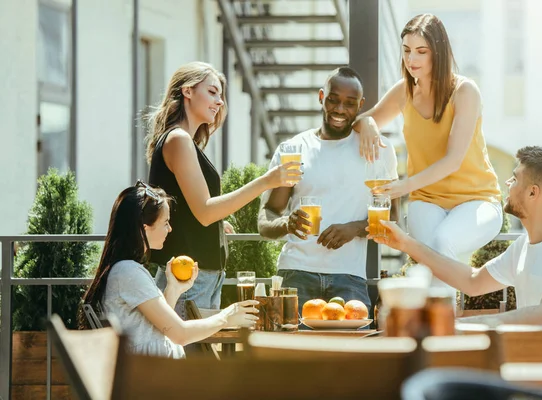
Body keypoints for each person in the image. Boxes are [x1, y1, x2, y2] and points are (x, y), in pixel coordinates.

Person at [352, 14, 503, 293]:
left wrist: (401, 187)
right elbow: (362, 121)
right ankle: (440, 324)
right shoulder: (404, 91)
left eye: (421, 51)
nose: (412, 59)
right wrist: (370, 124)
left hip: (477, 200)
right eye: (407, 50)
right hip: (426, 200)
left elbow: (453, 160)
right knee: (430, 259)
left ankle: (437, 329)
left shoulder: (465, 91)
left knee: (442, 242)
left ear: (439, 52)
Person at [371, 146, 542, 328]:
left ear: (533, 192)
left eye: (515, 178)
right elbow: (473, 281)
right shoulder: (523, 246)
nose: (507, 184)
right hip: (531, 364)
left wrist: (466, 325)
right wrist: (405, 243)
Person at [145, 62, 301, 317]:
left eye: (221, 95)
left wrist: (218, 226)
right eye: (212, 92)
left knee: (194, 356)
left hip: (196, 278)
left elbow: (193, 210)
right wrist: (267, 181)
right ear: (187, 91)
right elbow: (205, 212)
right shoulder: (179, 140)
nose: (219, 102)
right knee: (189, 357)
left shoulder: (185, 142)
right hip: (188, 281)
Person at [257, 67, 399, 312]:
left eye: (349, 103)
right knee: (290, 350)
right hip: (296, 273)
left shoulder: (379, 151)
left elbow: (392, 219)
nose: (340, 110)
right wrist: (287, 224)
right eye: (333, 100)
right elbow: (266, 217)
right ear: (321, 97)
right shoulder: (293, 149)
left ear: (361, 105)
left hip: (349, 277)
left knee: (352, 349)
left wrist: (354, 228)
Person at [80, 182, 258, 358]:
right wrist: (227, 316)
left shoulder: (125, 270)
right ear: (144, 229)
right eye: (165, 222)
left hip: (153, 374)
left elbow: (158, 326)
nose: (170, 229)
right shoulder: (128, 272)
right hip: (156, 379)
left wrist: (174, 288)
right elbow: (180, 334)